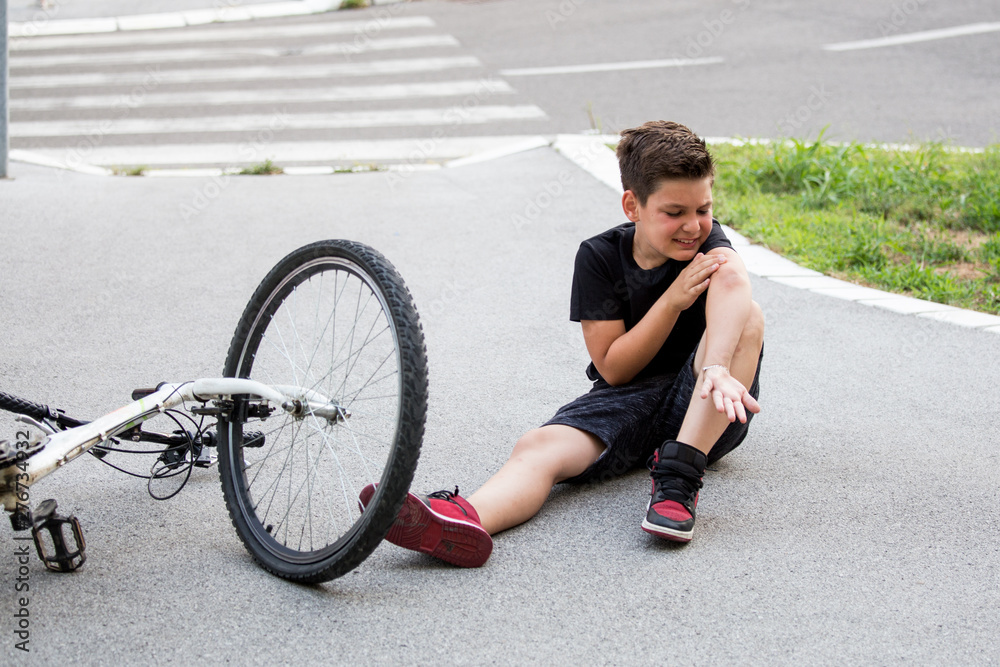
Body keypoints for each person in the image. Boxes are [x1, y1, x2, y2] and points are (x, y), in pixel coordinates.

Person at [360, 120, 764, 567]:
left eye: (703, 209)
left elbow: (732, 280)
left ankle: (679, 477)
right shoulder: (600, 257)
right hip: (626, 398)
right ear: (633, 205)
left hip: (709, 407)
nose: (693, 225)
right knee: (538, 446)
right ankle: (462, 519)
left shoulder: (710, 242)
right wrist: (671, 301)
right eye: (674, 212)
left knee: (750, 315)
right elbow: (614, 369)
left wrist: (715, 367)